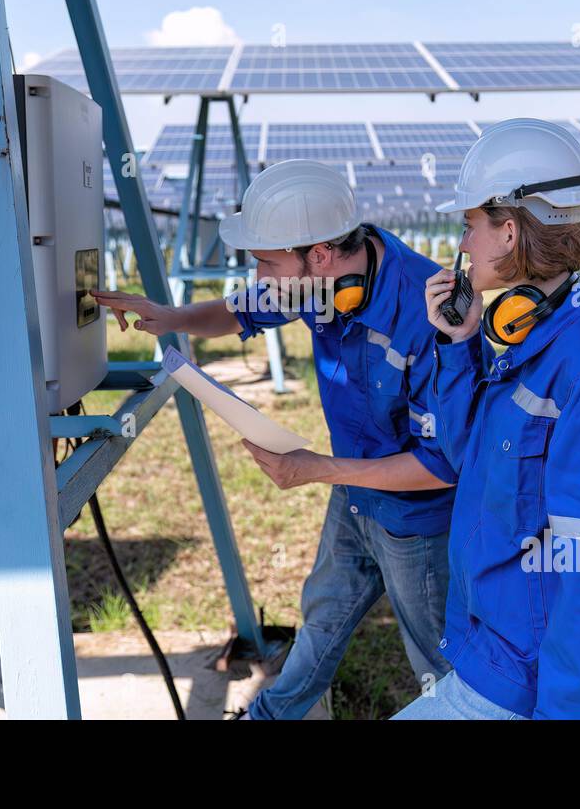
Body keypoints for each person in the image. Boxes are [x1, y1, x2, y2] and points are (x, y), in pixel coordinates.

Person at [93, 159, 474, 720]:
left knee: (438, 664)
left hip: (416, 521)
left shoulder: (426, 313)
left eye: (267, 263)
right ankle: (267, 716)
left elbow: (443, 465)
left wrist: (316, 469)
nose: (262, 278)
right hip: (354, 491)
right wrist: (165, 315)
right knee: (322, 618)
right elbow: (234, 312)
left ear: (318, 254)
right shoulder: (313, 285)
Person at [393, 119, 580, 720]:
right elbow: (467, 459)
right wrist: (461, 344)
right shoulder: (524, 335)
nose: (462, 245)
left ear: (509, 231)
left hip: (521, 682)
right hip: (483, 650)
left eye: (469, 226)